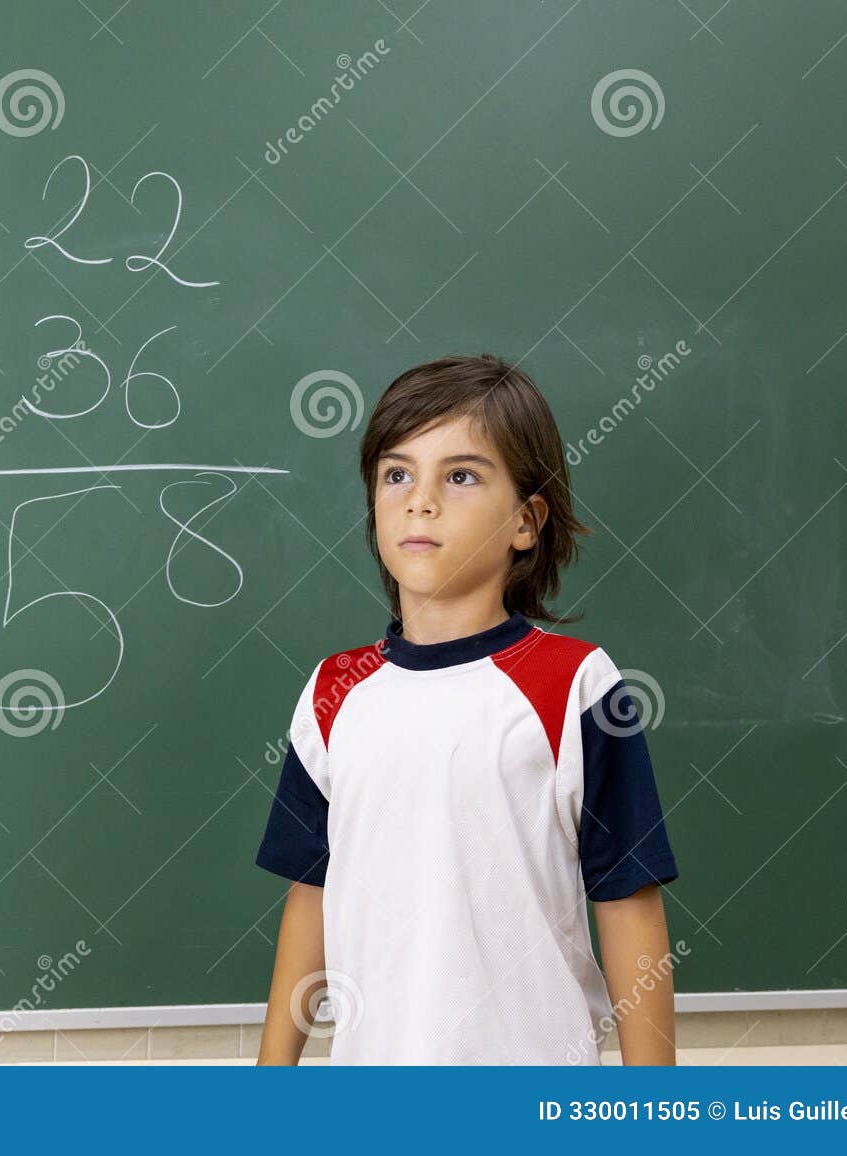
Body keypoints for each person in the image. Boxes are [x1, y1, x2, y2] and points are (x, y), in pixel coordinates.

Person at [255, 355, 680, 1065]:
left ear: (525, 520)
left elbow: (628, 900)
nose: (420, 500)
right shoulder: (335, 690)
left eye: (460, 475)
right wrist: (271, 1083)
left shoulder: (576, 684)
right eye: (397, 474)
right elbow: (311, 892)